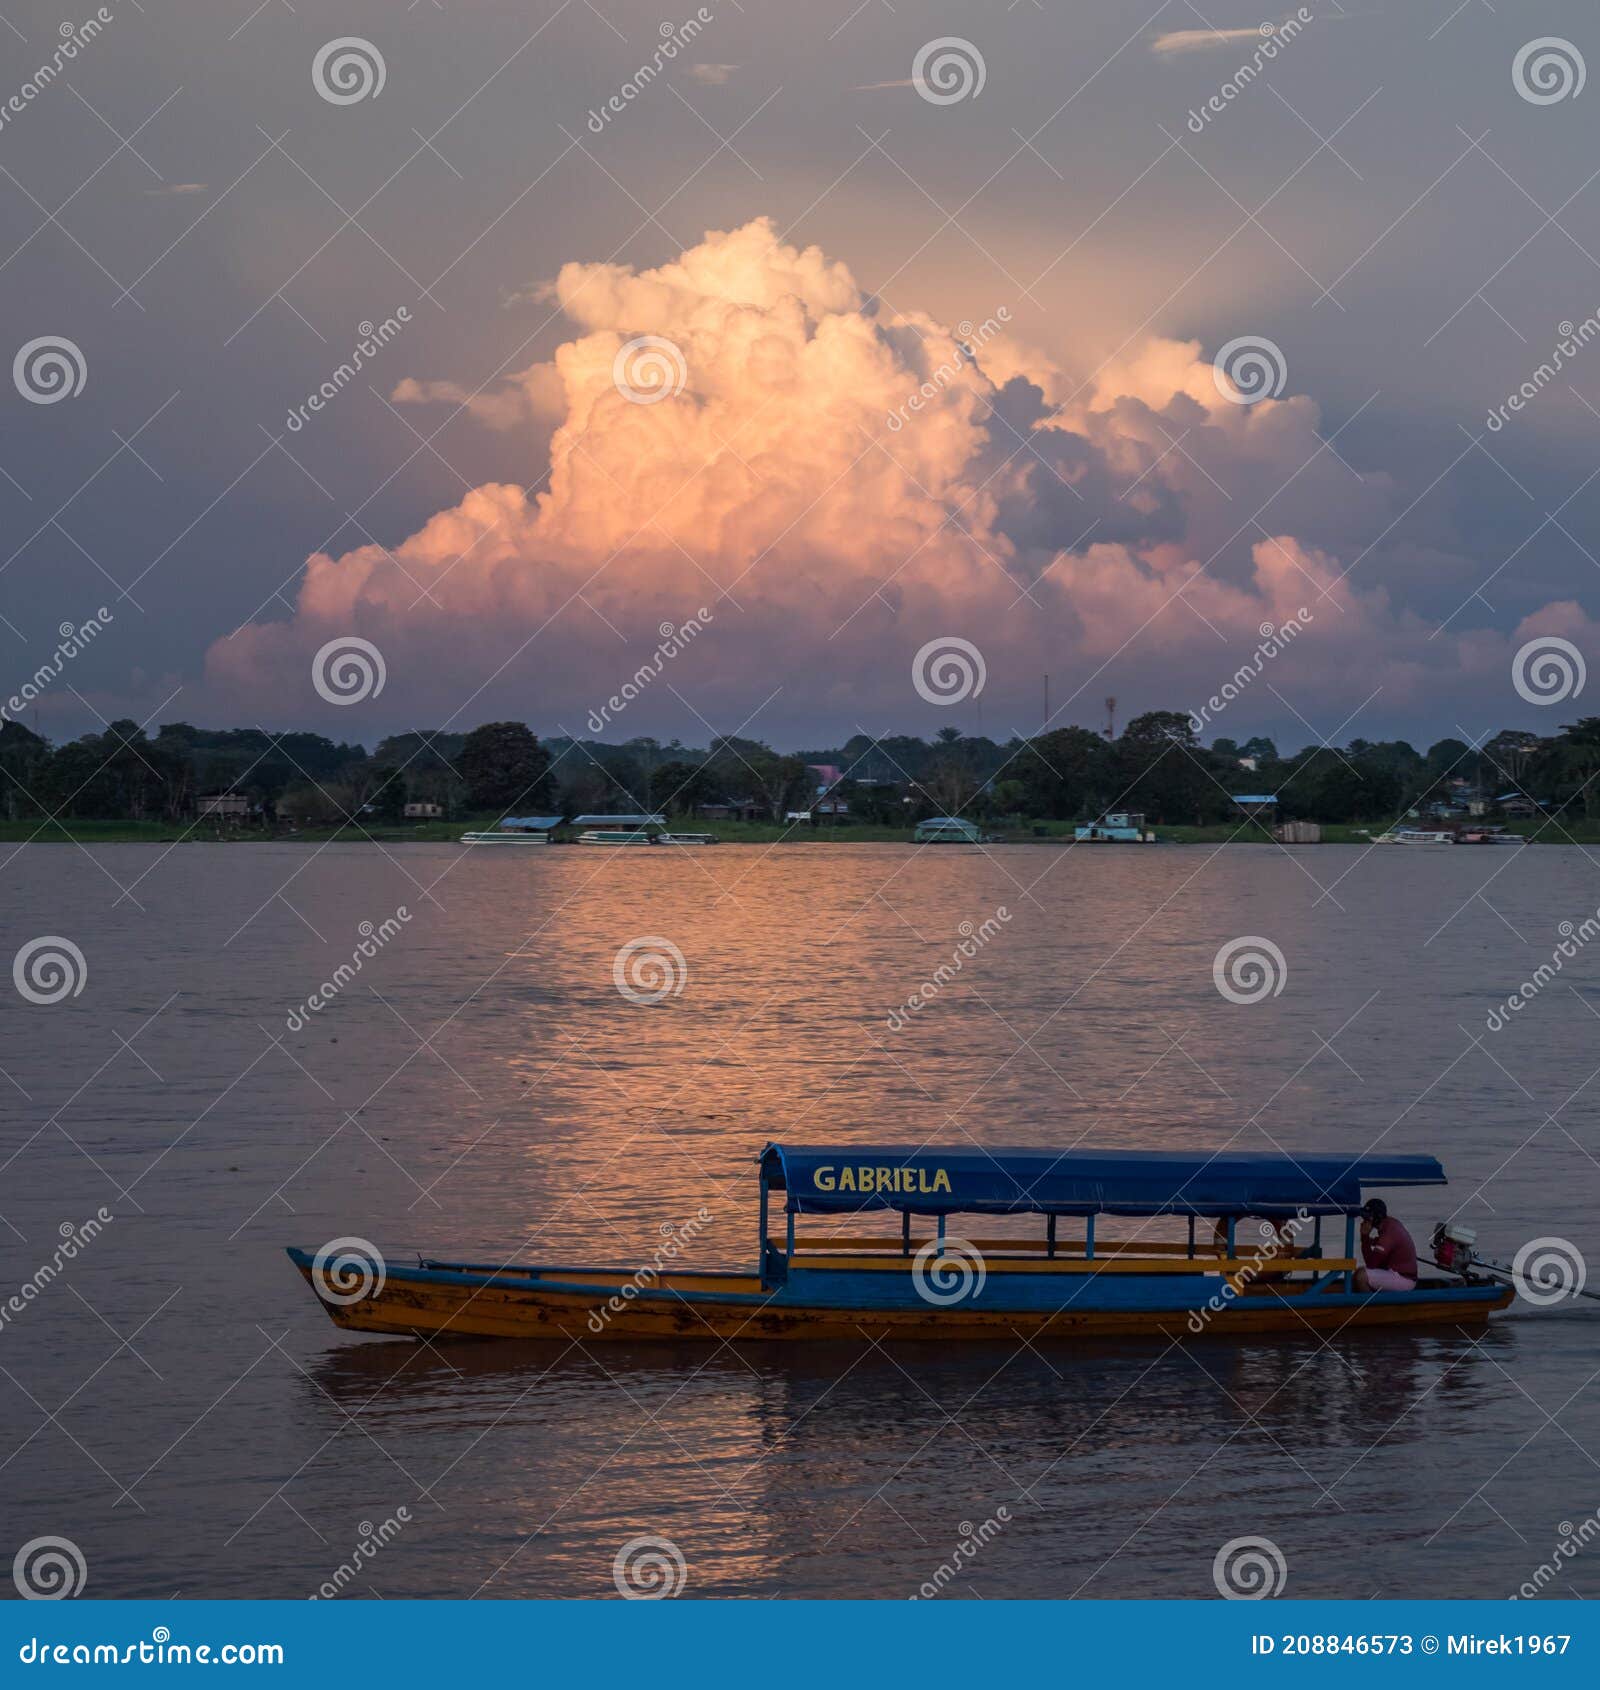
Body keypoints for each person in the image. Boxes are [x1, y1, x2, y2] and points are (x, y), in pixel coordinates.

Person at [1354, 1197, 1417, 1292]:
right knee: (1355, 1277)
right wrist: (1370, 1241)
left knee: (1361, 1276)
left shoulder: (1388, 1232)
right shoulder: (1389, 1223)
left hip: (1405, 1279)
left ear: (1377, 1217)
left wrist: (1365, 1236)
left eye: (1368, 1217)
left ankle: (1370, 1306)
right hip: (1396, 1273)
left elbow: (1371, 1264)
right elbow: (1382, 1244)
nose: (1364, 1220)